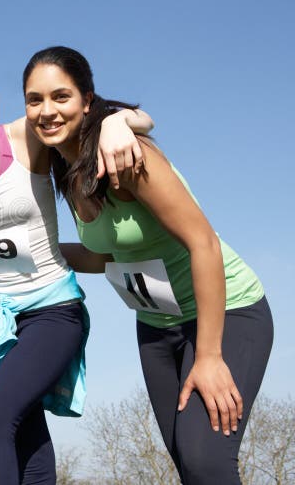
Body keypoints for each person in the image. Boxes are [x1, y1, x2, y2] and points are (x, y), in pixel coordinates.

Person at [22, 45, 273, 484]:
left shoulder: (127, 157)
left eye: (60, 96)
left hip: (227, 312)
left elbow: (204, 244)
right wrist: (31, 252)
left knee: (207, 460)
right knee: (186, 463)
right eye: (34, 99)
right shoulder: (65, 168)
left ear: (87, 99)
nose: (47, 110)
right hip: (157, 326)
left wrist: (210, 357)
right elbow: (104, 257)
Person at [0, 49, 152, 484]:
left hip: (52, 312)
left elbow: (143, 119)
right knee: (24, 434)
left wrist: (115, 121)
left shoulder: (25, 138)